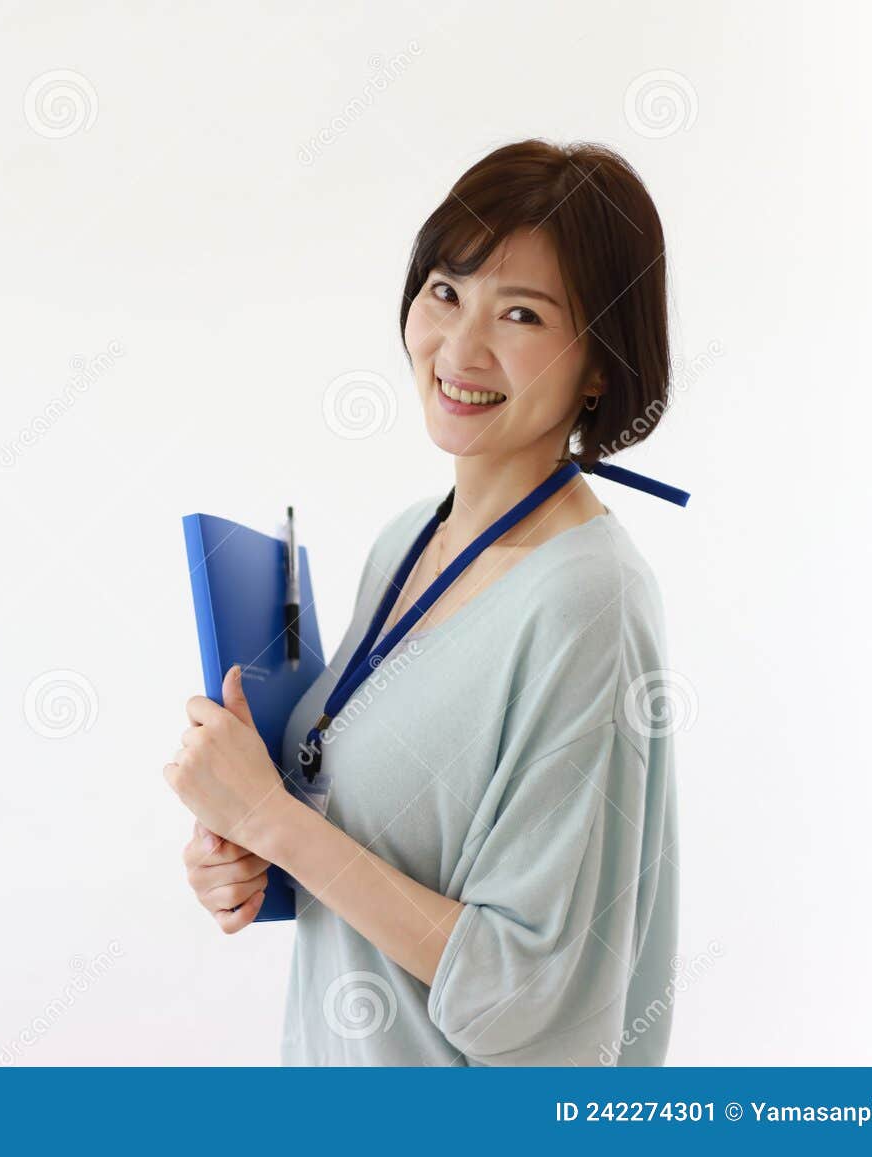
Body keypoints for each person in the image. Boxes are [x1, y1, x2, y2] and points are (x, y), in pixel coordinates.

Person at [164, 138, 683, 1066]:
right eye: (445, 290)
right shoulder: (408, 536)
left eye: (520, 313)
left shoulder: (586, 604)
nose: (460, 346)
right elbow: (376, 846)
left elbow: (529, 999)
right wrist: (249, 852)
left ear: (599, 365)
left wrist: (274, 819)